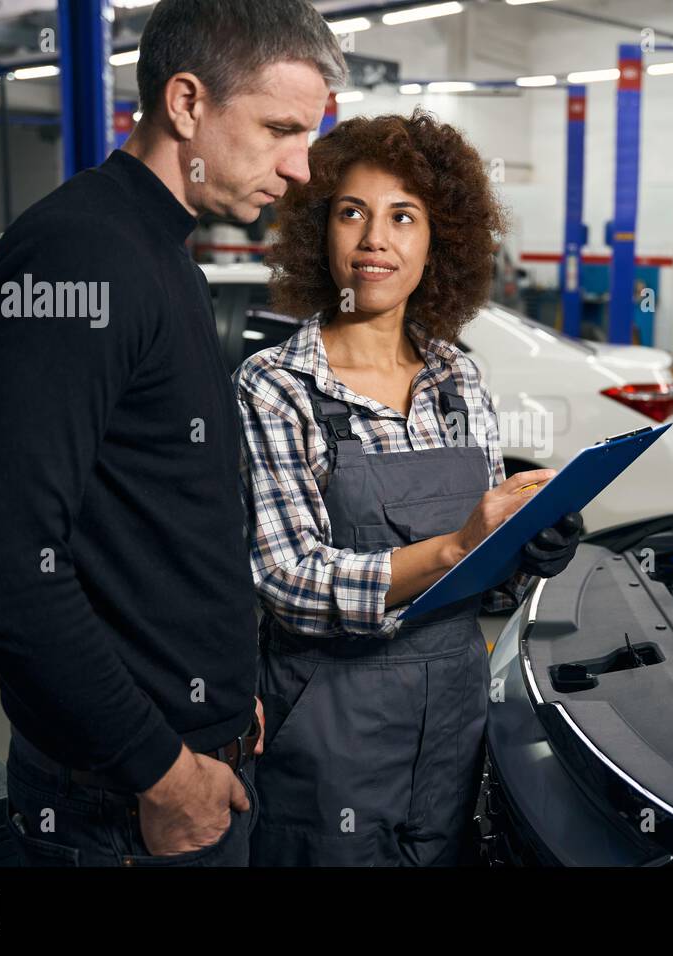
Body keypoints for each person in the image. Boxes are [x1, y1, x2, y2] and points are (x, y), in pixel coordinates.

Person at [0, 0, 344, 866]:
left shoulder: (162, 252)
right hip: (126, 803)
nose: (301, 168)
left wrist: (229, 693)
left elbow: (159, 516)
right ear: (187, 104)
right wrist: (163, 772)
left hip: (200, 747)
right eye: (279, 128)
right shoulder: (81, 257)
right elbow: (2, 574)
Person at [237, 109, 583, 866]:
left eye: (404, 217)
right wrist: (458, 544)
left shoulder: (457, 378)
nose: (375, 240)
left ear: (439, 242)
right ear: (317, 231)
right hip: (329, 720)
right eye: (352, 213)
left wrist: (531, 543)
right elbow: (288, 582)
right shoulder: (276, 387)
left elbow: (485, 569)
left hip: (455, 712)